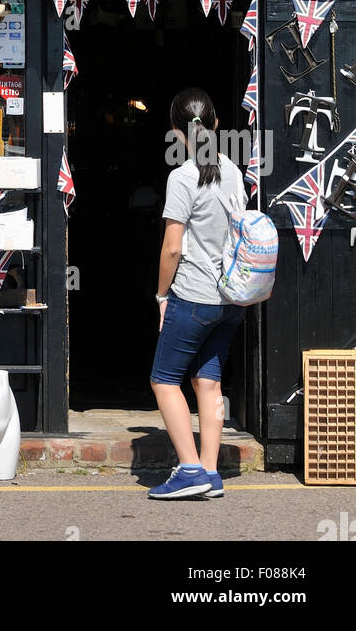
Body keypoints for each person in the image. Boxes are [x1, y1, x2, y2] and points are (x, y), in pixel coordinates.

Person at [148, 87, 248, 499]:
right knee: (208, 382)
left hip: (193, 296)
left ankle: (189, 471)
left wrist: (160, 296)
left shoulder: (183, 177)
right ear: (216, 124)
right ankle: (210, 472)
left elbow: (172, 247)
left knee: (164, 380)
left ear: (176, 130)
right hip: (230, 299)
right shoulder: (234, 172)